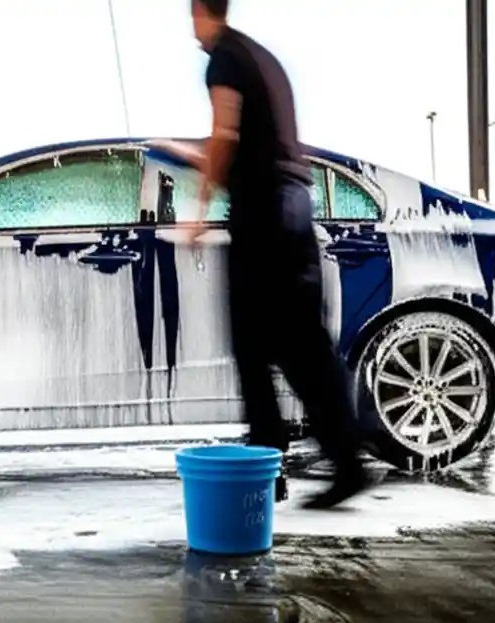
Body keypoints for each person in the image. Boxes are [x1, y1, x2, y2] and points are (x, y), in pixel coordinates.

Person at [186, 0, 369, 509]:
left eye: (192, 21)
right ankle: (333, 458)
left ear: (204, 12)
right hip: (292, 209)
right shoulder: (261, 58)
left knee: (255, 341)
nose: (193, 34)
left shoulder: (222, 57)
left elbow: (226, 134)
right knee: (297, 342)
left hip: (262, 214)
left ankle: (273, 459)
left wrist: (200, 209)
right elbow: (249, 141)